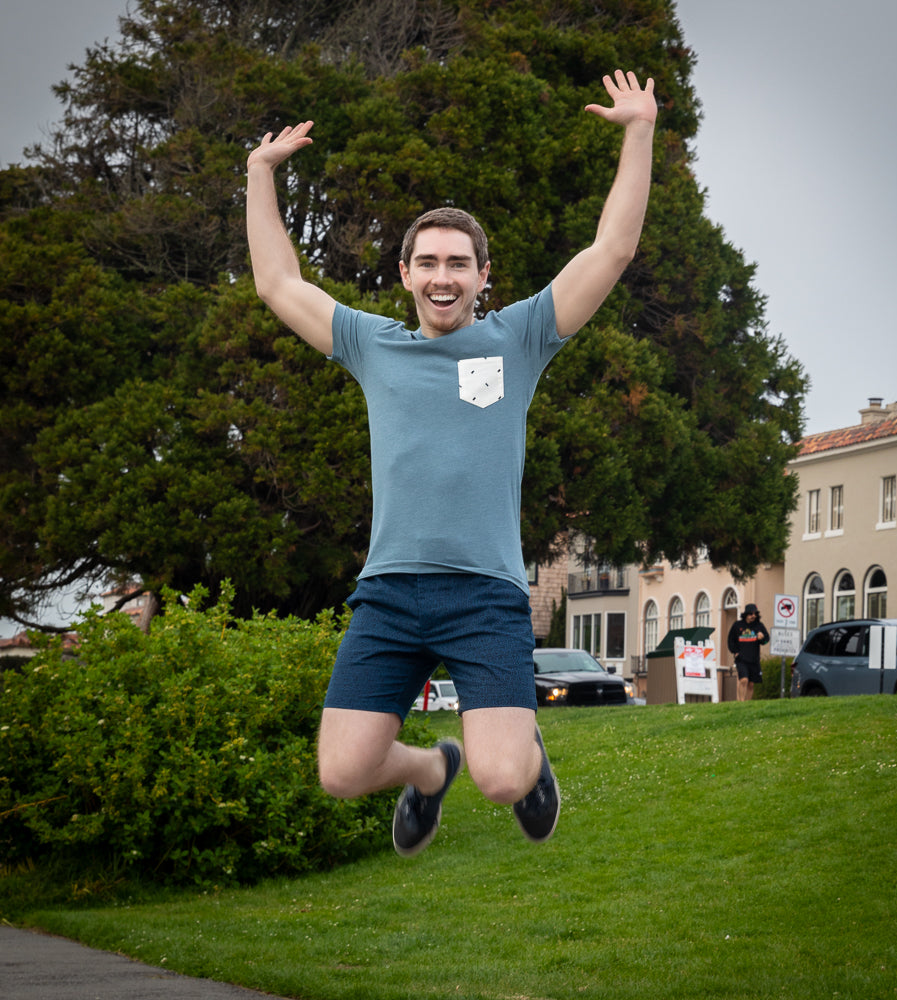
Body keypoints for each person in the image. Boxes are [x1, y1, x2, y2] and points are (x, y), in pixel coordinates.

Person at [246, 70, 658, 856]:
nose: (443, 276)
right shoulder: (371, 344)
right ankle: (430, 770)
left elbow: (614, 247)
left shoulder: (521, 338)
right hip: (391, 594)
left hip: (484, 595)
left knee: (501, 779)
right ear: (405, 275)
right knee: (340, 771)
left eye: (459, 263)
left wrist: (638, 129)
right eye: (428, 262)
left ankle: (524, 762)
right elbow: (276, 282)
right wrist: (260, 174)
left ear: (483, 275)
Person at [727, 603, 770, 701]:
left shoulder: (759, 626)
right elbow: (730, 640)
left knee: (751, 684)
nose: (753, 616)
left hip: (754, 659)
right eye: (750, 614)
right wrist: (735, 651)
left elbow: (766, 640)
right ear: (746, 615)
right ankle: (741, 702)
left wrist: (762, 638)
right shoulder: (737, 625)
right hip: (741, 659)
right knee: (744, 680)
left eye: (755, 614)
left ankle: (747, 703)